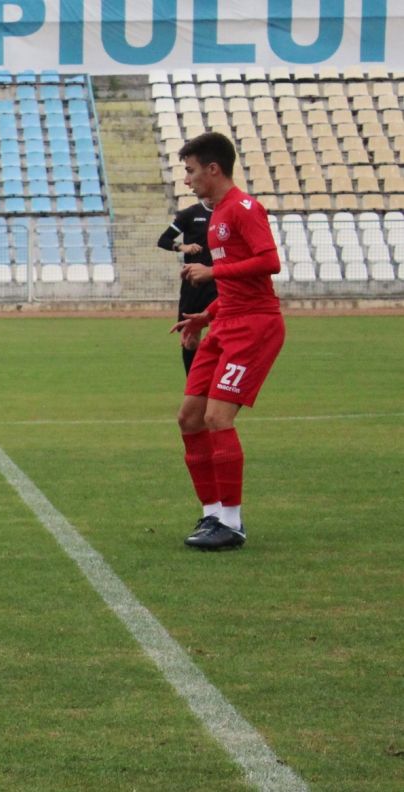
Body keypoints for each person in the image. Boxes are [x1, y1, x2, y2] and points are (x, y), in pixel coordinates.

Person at [170, 132, 285, 552]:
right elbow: (239, 284)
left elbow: (270, 262)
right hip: (225, 322)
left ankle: (232, 525)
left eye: (191, 170)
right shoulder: (218, 215)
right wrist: (205, 315)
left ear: (212, 169)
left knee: (218, 418)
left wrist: (212, 274)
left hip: (254, 327)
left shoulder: (243, 209)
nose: (188, 179)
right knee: (189, 419)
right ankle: (213, 514)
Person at [157, 200, 217, 373]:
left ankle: (217, 385)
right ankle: (193, 386)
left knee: (224, 333)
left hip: (219, 282)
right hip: (194, 285)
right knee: (190, 338)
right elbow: (163, 240)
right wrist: (183, 246)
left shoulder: (227, 213)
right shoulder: (189, 214)